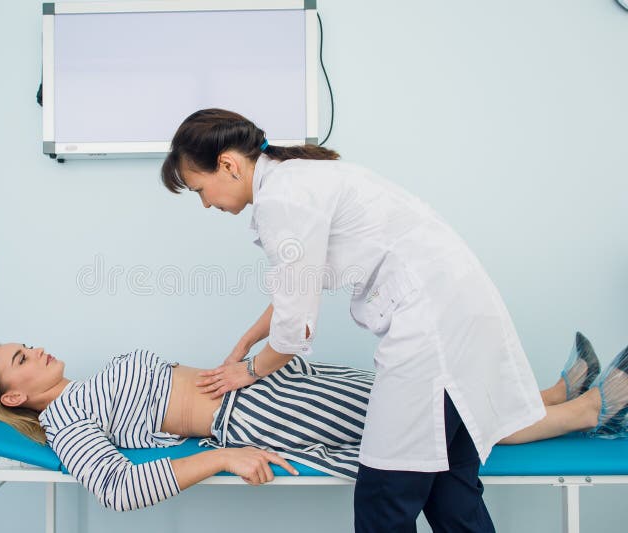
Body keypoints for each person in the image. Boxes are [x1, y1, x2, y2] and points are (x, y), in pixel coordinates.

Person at [158, 108, 586, 531]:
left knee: (382, 504)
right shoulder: (298, 179)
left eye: (199, 189)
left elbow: (294, 332)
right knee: (452, 498)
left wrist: (247, 371)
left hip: (431, 332)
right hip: (456, 319)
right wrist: (246, 342)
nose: (205, 203)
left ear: (228, 165)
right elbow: (297, 289)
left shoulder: (282, 200)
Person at [0, 332, 628, 513]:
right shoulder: (69, 418)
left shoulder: (84, 386)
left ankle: (548, 393)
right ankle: (589, 408)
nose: (36, 347)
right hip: (257, 412)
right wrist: (221, 456)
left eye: (26, 343)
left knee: (417, 396)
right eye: (22, 357)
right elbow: (116, 487)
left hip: (268, 388)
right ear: (15, 397)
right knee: (424, 416)